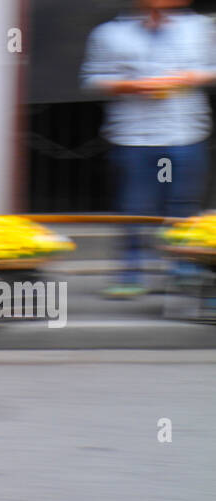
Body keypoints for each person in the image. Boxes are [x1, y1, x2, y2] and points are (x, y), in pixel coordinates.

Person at [81, 0, 216, 298]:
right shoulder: (110, 34)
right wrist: (134, 86)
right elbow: (92, 78)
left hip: (184, 134)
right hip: (134, 137)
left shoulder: (198, 28)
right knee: (134, 209)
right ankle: (131, 273)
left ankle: (183, 272)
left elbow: (212, 68)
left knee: (182, 208)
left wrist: (188, 77)